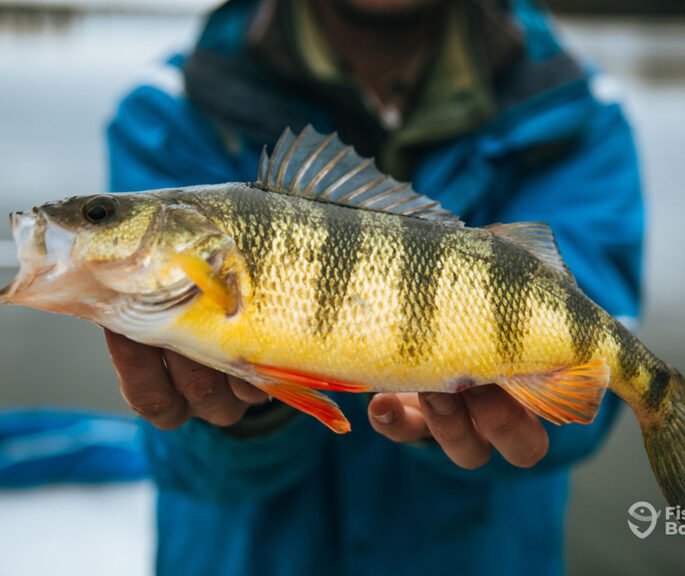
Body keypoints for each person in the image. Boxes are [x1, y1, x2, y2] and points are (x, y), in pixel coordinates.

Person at [106, 0, 643, 574]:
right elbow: (182, 461)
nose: (96, 224)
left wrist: (465, 420)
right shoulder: (169, 106)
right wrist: (245, 415)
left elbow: (598, 373)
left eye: (98, 216)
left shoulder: (575, 105)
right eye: (100, 217)